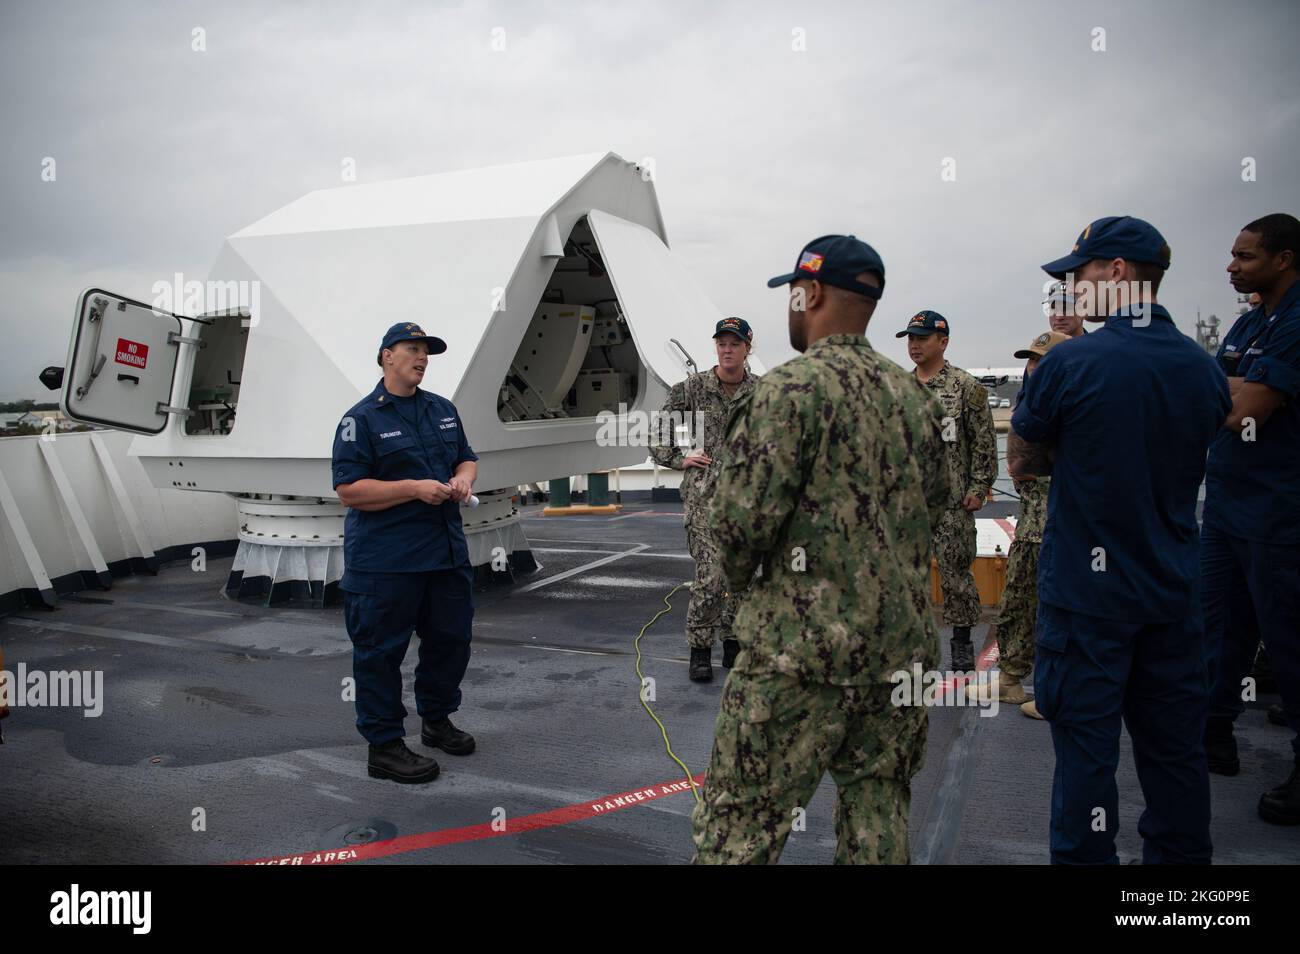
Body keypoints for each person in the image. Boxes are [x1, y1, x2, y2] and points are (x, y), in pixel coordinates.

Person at [691, 235, 950, 864]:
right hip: (900, 658)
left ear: (811, 294)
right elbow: (933, 507)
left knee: (740, 828)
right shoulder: (916, 400)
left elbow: (733, 533)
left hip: (797, 660)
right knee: (878, 818)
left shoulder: (787, 392)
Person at [1012, 215, 1230, 864]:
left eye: (1079, 273)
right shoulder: (1205, 370)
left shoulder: (1069, 362)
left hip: (1087, 601)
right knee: (1176, 758)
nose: (1073, 287)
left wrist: (1070, 456)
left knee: (1085, 759)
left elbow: (1021, 464)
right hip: (1172, 595)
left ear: (1115, 272)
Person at [331, 322, 479, 784]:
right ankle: (385, 746)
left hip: (444, 555)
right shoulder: (362, 420)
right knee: (380, 653)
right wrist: (413, 488)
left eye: (426, 352)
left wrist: (464, 479)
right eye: (412, 349)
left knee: (450, 643)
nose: (422, 358)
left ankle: (436, 721)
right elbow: (350, 490)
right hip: (386, 562)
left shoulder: (442, 409)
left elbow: (466, 457)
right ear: (386, 356)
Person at [1202, 212, 1300, 825]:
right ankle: (1213, 733)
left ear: (1285, 258)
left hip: (1281, 513)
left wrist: (1235, 390)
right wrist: (1234, 388)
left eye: (1245, 256)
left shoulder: (1295, 324)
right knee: (1218, 628)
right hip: (1228, 506)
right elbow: (1219, 390)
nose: (1232, 266)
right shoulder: (1249, 319)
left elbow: (1245, 411)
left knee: (1289, 639)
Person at [649, 317, 758, 682]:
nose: (727, 350)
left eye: (734, 344)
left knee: (742, 577)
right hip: (704, 500)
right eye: (722, 343)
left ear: (747, 348)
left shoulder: (761, 391)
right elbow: (659, 428)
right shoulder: (693, 388)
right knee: (711, 577)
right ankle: (700, 648)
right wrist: (678, 459)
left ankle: (734, 644)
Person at [969, 330, 1069, 707]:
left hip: (1060, 525)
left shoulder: (1078, 406)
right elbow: (1020, 456)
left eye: (1042, 361)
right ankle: (1011, 677)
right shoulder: (1034, 405)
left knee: (1055, 608)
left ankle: (1054, 692)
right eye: (1031, 360)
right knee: (1017, 600)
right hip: (1030, 523)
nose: (1033, 368)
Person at [898, 311, 996, 672]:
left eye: (921, 338)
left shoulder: (965, 387)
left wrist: (980, 487)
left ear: (943, 341)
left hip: (954, 502)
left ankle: (960, 643)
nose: (914, 345)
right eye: (910, 338)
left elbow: (983, 442)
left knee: (956, 573)